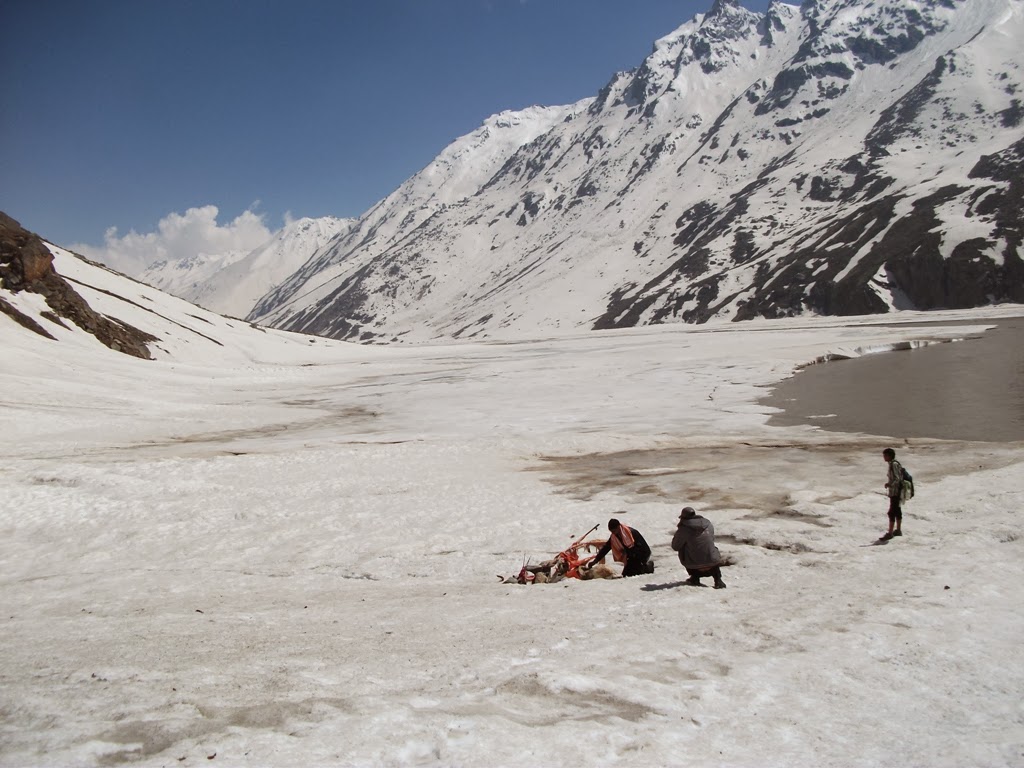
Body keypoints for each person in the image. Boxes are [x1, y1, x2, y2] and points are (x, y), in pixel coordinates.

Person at [671, 506, 726, 588]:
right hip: (713, 561)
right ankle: (718, 580)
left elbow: (675, 546)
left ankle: (695, 577)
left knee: (683, 548)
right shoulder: (708, 524)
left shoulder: (684, 529)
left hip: (694, 565)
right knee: (709, 547)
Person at [585, 518, 653, 577]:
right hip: (631, 556)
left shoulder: (630, 532)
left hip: (641, 554)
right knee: (626, 574)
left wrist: (631, 560)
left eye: (614, 531)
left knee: (634, 573)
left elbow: (640, 548)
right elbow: (606, 548)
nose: (613, 533)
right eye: (611, 532)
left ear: (618, 527)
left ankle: (647, 567)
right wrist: (595, 561)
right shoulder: (614, 536)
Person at [881, 447, 904, 540]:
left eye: (885, 455)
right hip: (897, 491)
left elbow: (897, 478)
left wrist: (890, 484)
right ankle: (898, 530)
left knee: (891, 512)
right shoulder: (894, 463)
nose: (884, 457)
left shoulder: (893, 464)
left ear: (889, 456)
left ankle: (890, 533)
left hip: (895, 491)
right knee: (897, 510)